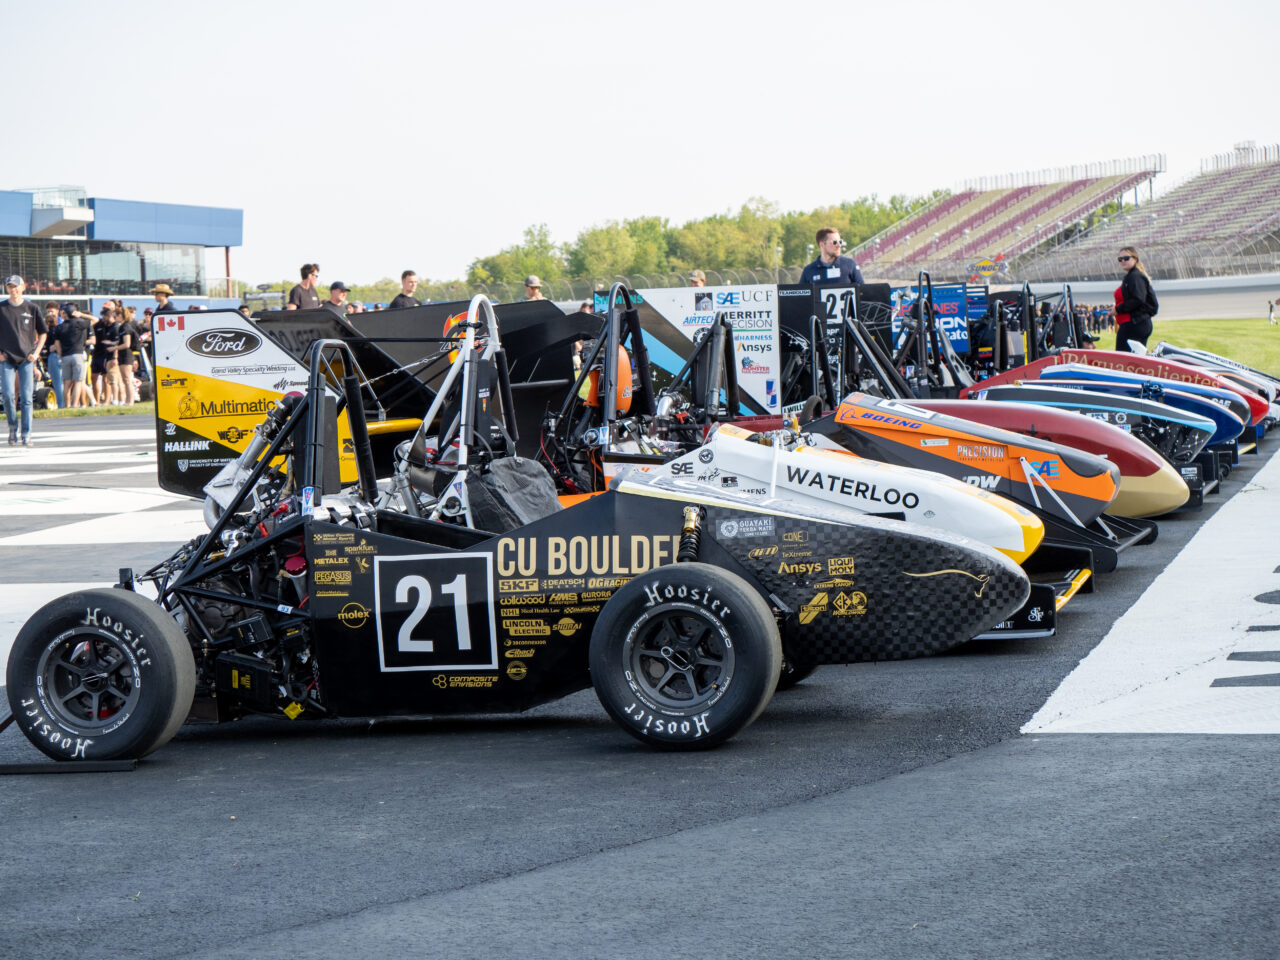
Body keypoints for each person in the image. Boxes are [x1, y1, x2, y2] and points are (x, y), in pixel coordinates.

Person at [0, 276, 47, 445]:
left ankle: (27, 433)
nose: (13, 290)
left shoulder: (32, 308)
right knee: (7, 395)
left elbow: (43, 332)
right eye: (10, 287)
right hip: (6, 359)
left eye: (16, 286)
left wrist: (36, 352)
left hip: (27, 359)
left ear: (23, 288)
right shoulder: (2, 308)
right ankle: (13, 427)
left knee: (27, 398)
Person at [1113, 247, 1158, 353]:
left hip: (1135, 323)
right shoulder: (1132, 276)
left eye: (1126, 258)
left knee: (1123, 357)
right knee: (1134, 358)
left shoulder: (1135, 276)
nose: (1123, 261)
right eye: (1120, 259)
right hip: (1138, 323)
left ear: (1135, 259)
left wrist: (1118, 309)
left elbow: (1138, 299)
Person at [54, 304, 94, 408]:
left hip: (65, 356)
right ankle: (75, 405)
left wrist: (60, 355)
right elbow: (95, 319)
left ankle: (67, 405)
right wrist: (82, 314)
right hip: (78, 354)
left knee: (66, 383)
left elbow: (57, 344)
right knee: (78, 382)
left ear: (65, 314)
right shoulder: (79, 323)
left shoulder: (59, 327)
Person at [800, 228, 865, 285]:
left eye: (840, 242)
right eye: (834, 242)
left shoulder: (850, 264)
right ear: (822, 244)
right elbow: (801, 296)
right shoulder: (808, 270)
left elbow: (862, 292)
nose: (839, 245)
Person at [42, 304, 64, 409]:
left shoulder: (50, 331)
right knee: (63, 382)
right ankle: (66, 403)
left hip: (54, 357)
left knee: (57, 383)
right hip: (61, 356)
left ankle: (61, 404)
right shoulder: (60, 328)